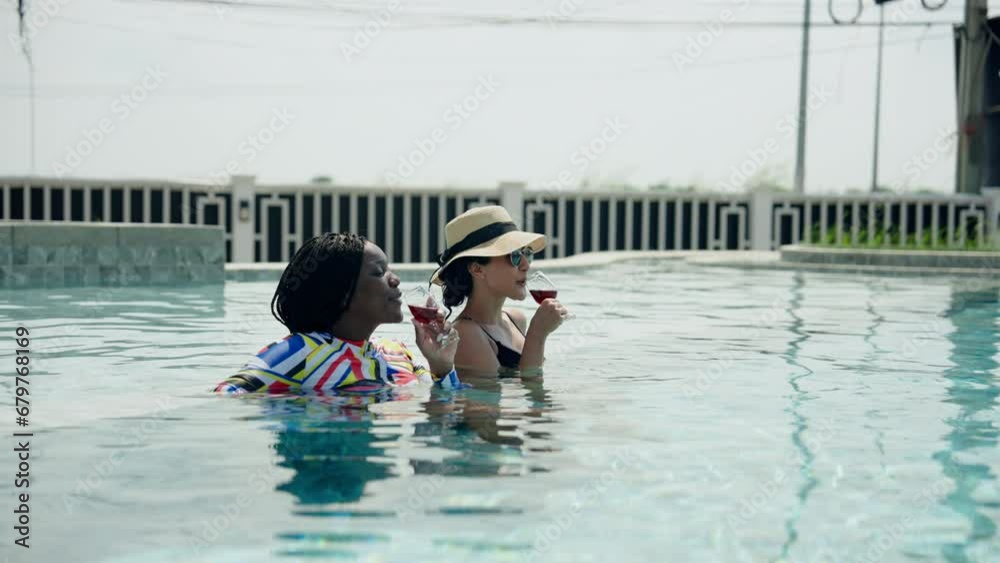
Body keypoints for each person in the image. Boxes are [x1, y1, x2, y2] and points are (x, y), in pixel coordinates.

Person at [215, 233, 460, 394]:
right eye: (378, 272)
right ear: (342, 292)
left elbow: (444, 406)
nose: (395, 279)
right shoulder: (302, 350)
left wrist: (441, 366)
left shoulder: (396, 351)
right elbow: (225, 395)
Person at [432, 206, 569, 376]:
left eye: (527, 253)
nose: (526, 265)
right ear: (477, 270)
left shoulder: (515, 319)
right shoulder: (464, 335)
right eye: (515, 256)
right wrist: (538, 334)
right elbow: (525, 395)